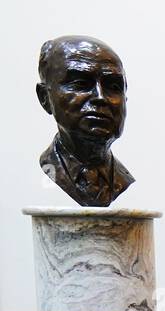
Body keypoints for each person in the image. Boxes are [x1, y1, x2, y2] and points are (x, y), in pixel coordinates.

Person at [36, 35, 134, 206]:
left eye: (113, 87)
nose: (101, 97)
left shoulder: (122, 181)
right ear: (45, 98)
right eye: (81, 84)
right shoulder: (43, 172)